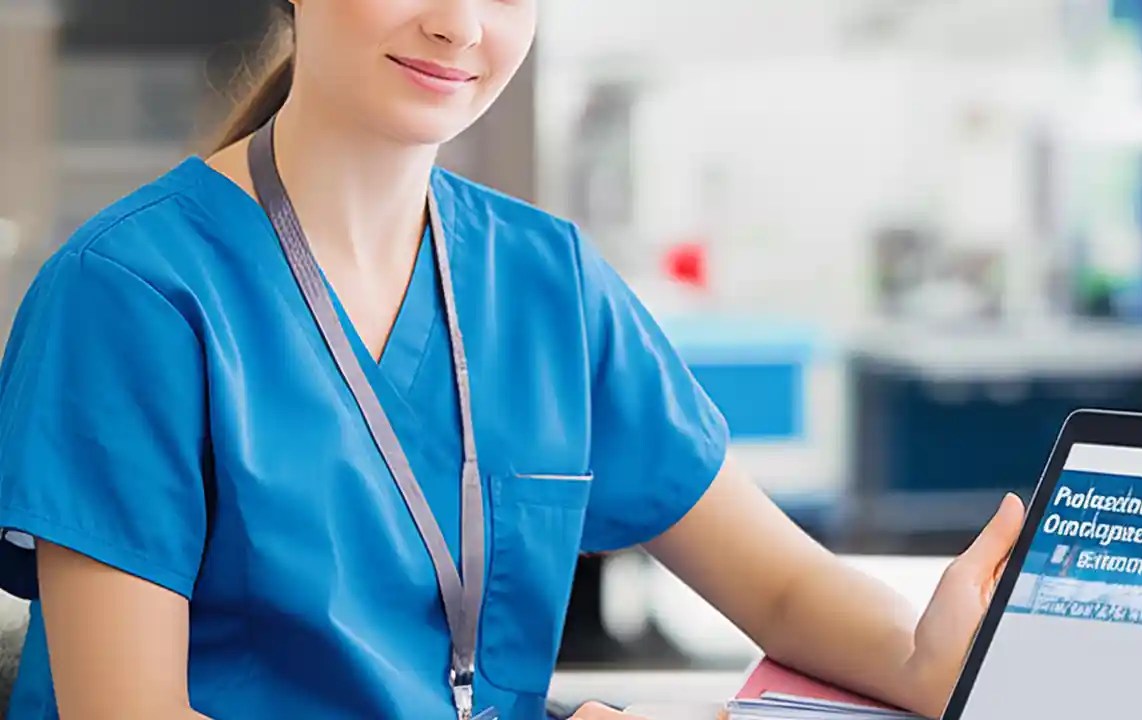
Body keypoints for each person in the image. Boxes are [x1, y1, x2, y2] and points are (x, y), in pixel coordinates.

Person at [0, 1, 1025, 719]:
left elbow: (783, 590)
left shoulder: (548, 283)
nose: (460, 24)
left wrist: (923, 661)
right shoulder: (131, 297)